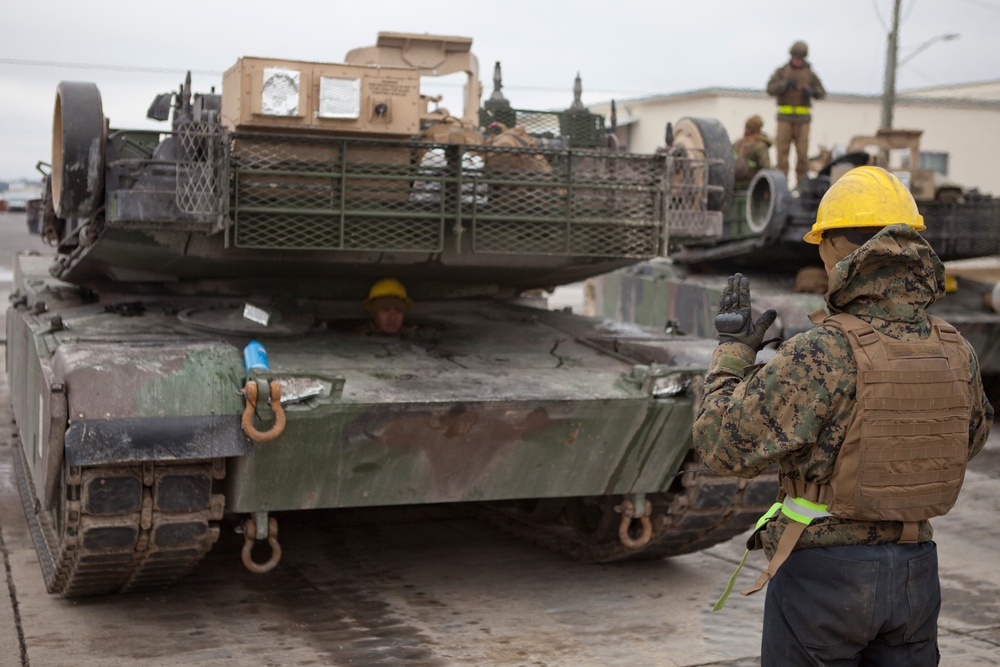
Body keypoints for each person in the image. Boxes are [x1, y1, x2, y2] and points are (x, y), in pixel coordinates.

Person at [692, 166, 993, 665]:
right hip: (917, 572)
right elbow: (970, 438)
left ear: (835, 248)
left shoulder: (823, 350)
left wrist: (731, 355)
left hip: (825, 579)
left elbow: (722, 447)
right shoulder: (953, 347)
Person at [766, 40, 825, 185]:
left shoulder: (810, 74)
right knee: (782, 154)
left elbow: (822, 93)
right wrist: (784, 84)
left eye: (801, 58)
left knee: (802, 155)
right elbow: (770, 88)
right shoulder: (782, 72)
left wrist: (812, 92)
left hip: (803, 120)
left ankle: (802, 186)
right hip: (784, 119)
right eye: (796, 57)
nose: (798, 61)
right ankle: (781, 185)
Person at [732, 115, 772, 190]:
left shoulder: (759, 146)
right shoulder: (738, 143)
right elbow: (767, 167)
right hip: (743, 183)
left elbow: (766, 168)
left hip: (744, 184)